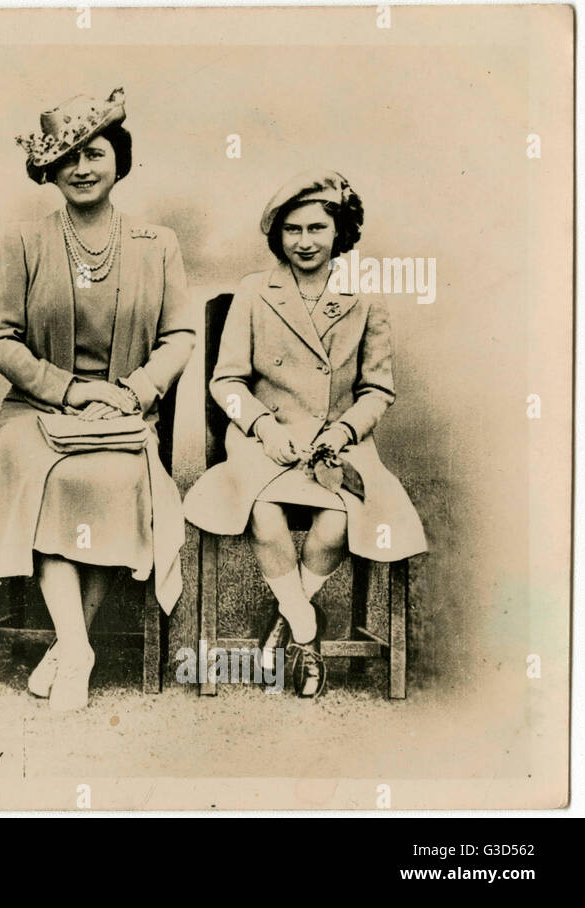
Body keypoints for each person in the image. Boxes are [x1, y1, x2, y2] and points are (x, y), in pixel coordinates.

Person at [0, 89, 196, 711]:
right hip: (38, 413)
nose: (81, 168)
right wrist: (70, 390)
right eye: (66, 158)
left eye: (93, 153)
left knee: (115, 480)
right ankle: (79, 649)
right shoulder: (23, 240)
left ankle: (69, 647)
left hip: (125, 412)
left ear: (118, 160)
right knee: (55, 480)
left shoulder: (158, 243)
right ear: (49, 170)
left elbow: (179, 334)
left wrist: (133, 392)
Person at [183, 170, 427, 697]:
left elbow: (378, 390)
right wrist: (262, 426)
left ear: (339, 231)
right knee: (264, 513)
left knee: (337, 522)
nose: (305, 241)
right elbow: (226, 381)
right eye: (292, 230)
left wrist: (342, 431)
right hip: (262, 438)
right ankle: (306, 632)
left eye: (317, 228)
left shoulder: (364, 297)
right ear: (278, 236)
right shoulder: (255, 291)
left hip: (337, 442)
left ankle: (288, 624)